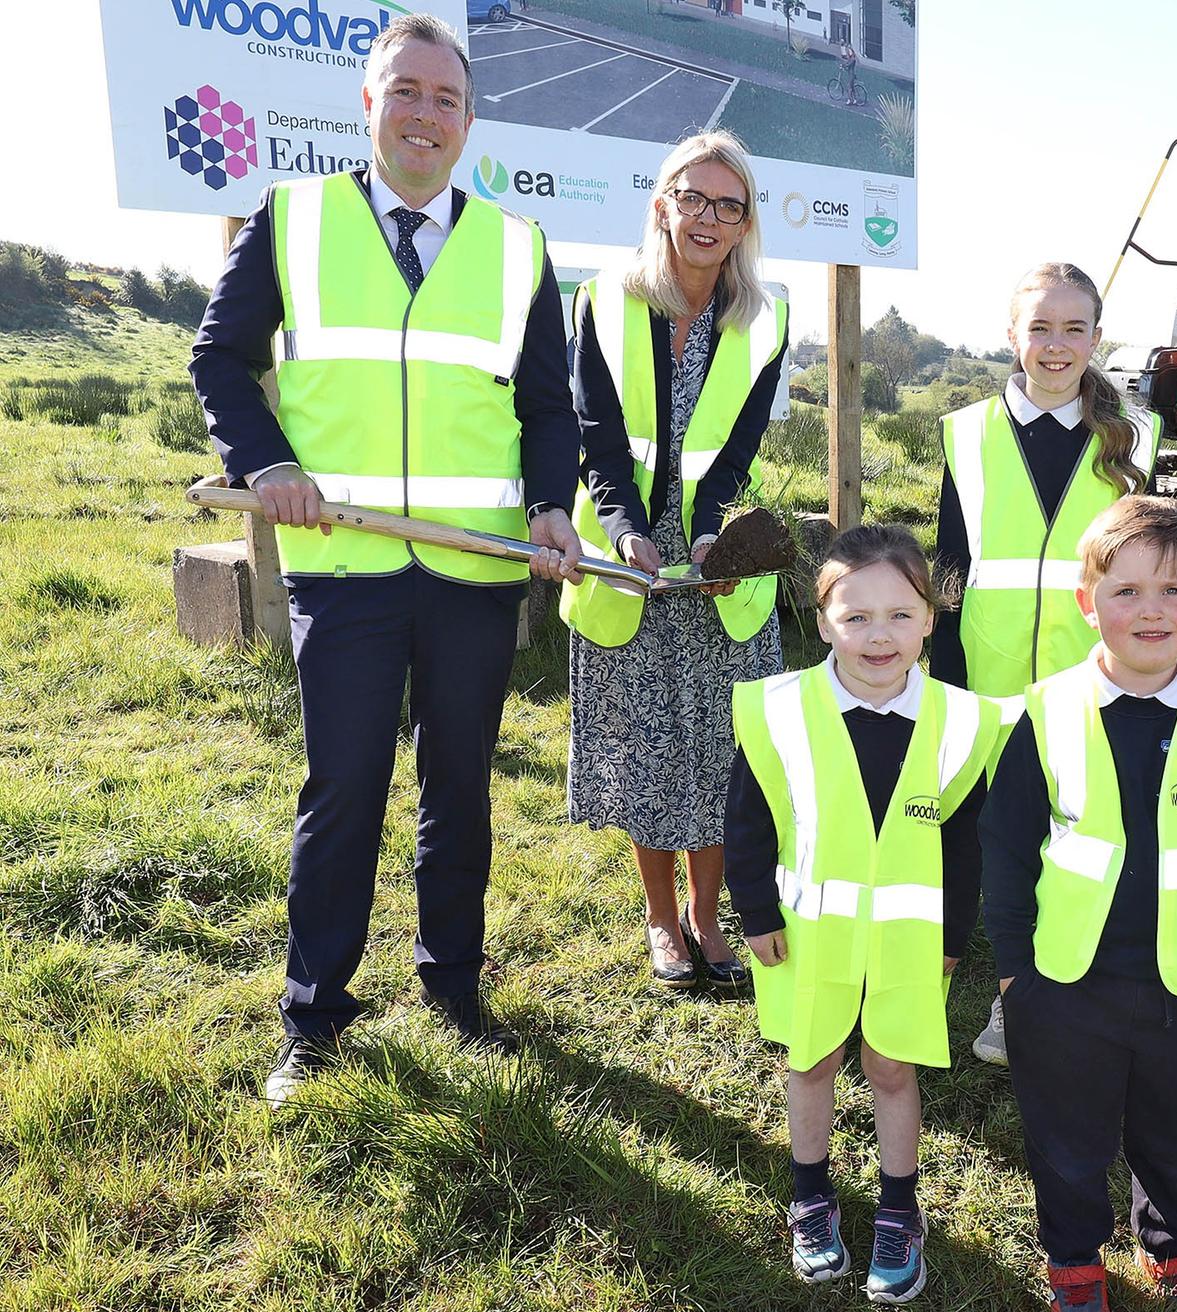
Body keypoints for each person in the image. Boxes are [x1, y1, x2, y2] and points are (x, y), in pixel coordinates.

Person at [188, 14, 583, 1106]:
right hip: (349, 566)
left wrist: (550, 506)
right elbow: (218, 358)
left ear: (468, 121)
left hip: (475, 570)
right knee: (345, 785)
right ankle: (313, 1014)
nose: (423, 114)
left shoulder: (517, 248)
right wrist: (265, 461)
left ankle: (453, 985)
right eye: (403, 92)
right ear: (367, 107)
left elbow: (550, 410)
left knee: (460, 785)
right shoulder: (292, 219)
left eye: (444, 98)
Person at [981, 496, 1177, 1312]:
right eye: (1126, 591)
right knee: (1068, 1139)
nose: (1151, 610)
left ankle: (1176, 1258)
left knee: (1172, 1133)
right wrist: (1014, 966)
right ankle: (1076, 1269)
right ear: (1088, 601)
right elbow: (1004, 846)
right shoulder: (1042, 712)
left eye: (1174, 590)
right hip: (1065, 981)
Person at [726, 525, 1001, 1304]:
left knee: (890, 1067)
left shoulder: (959, 722)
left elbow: (964, 846)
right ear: (822, 622)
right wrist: (752, 911)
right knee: (810, 1059)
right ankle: (809, 1194)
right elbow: (747, 819)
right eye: (856, 616)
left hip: (910, 945)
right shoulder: (778, 709)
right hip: (806, 935)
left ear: (930, 620)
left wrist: (953, 938)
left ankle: (898, 1207)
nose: (878, 635)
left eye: (899, 614)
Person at [562, 131, 788, 992]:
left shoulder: (765, 320)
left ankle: (708, 911)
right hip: (632, 561)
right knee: (648, 748)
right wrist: (625, 532)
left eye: (728, 206)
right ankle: (661, 916)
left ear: (743, 225)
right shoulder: (603, 301)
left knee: (726, 750)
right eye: (692, 198)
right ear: (662, 202)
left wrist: (714, 531)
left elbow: (737, 448)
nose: (707, 218)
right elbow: (595, 435)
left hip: (718, 559)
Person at [932, 261, 1160, 1067]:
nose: (1056, 344)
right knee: (1005, 843)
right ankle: (1012, 998)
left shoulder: (1137, 433)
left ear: (1097, 338)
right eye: (1040, 326)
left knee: (1084, 836)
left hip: (1091, 681)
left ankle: (1084, 982)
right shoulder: (965, 431)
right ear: (1011, 335)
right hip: (990, 685)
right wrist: (946, 678)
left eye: (1073, 328)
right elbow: (951, 571)